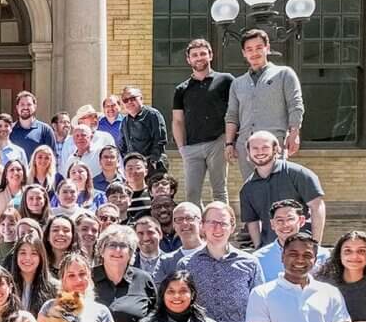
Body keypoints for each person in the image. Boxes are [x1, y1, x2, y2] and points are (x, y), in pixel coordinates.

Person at [225, 29, 305, 163]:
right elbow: (232, 115)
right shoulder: (237, 83)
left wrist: (294, 133)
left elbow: (295, 105)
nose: (254, 53)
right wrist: (228, 143)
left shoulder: (284, 74)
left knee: (276, 183)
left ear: (267, 48)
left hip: (274, 145)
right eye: (249, 49)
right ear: (244, 53)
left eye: (259, 48)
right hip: (246, 147)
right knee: (251, 184)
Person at [171, 40, 233, 205]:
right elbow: (177, 121)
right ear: (188, 59)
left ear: (210, 55)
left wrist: (229, 141)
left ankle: (222, 226)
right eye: (195, 55)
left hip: (217, 142)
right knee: (192, 194)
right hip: (191, 147)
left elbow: (235, 112)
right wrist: (181, 148)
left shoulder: (226, 81)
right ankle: (196, 230)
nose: (199, 58)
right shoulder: (181, 89)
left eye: (203, 54)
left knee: (219, 190)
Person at [239, 131, 325, 247]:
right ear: (248, 152)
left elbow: (317, 207)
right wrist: (259, 248)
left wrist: (316, 244)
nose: (260, 152)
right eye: (255, 148)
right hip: (271, 250)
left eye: (265, 147)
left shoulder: (299, 174)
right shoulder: (247, 189)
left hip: (303, 249)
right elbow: (253, 222)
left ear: (275, 149)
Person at [116, 85, 168, 179]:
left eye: (132, 98)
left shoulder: (153, 115)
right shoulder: (125, 121)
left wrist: (151, 162)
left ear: (141, 98)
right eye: (125, 100)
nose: (129, 102)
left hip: (153, 168)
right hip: (134, 170)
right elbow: (122, 147)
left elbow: (160, 141)